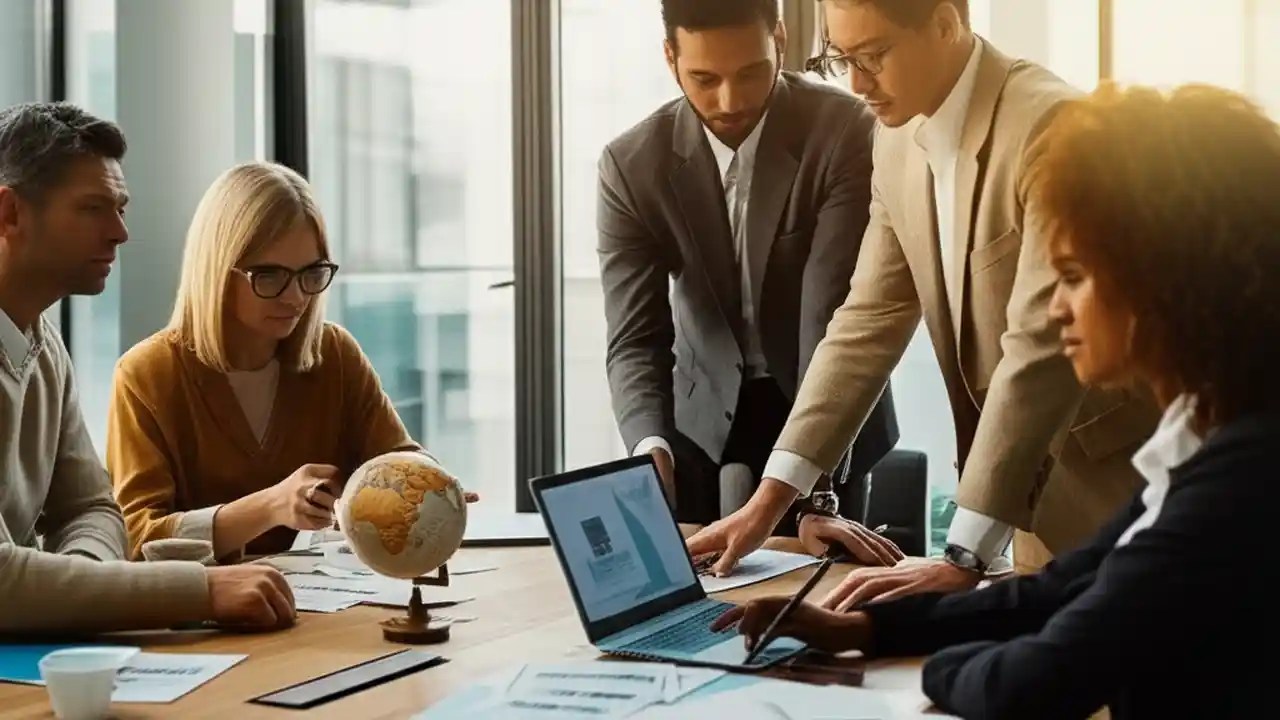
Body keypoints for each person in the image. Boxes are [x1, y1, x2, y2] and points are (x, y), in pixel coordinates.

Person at [716, 82, 1279, 720]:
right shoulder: (1212, 438)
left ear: (1167, 280)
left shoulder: (1239, 483)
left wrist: (918, 677)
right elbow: (1063, 588)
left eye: (1071, 276)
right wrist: (866, 632)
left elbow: (1036, 679)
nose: (1055, 306)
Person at [687, 0, 1160, 589]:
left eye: (874, 56)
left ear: (944, 23)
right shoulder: (896, 137)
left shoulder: (1050, 127)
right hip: (1028, 509)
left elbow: (1041, 346)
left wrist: (963, 556)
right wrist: (770, 501)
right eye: (842, 58)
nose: (857, 84)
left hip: (1117, 485)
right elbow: (867, 318)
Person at [599, 0, 899, 562]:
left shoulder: (845, 132)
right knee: (699, 592)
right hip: (700, 411)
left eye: (751, 73)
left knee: (817, 590)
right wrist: (650, 449)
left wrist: (817, 495)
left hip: (820, 403)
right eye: (704, 79)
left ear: (779, 41)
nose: (730, 101)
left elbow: (831, 319)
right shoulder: (631, 164)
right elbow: (635, 338)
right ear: (671, 58)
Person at [0, 101, 294, 633]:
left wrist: (80, 589)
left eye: (121, 207)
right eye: (93, 208)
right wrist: (198, 589)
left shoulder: (45, 345)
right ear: (9, 213)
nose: (120, 233)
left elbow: (91, 509)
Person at [107, 161, 476, 562]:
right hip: (212, 611)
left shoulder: (334, 354)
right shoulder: (147, 374)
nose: (296, 297)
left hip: (326, 603)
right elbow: (136, 538)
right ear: (216, 271)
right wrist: (271, 507)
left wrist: (430, 482)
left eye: (311, 273)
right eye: (269, 276)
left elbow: (393, 456)